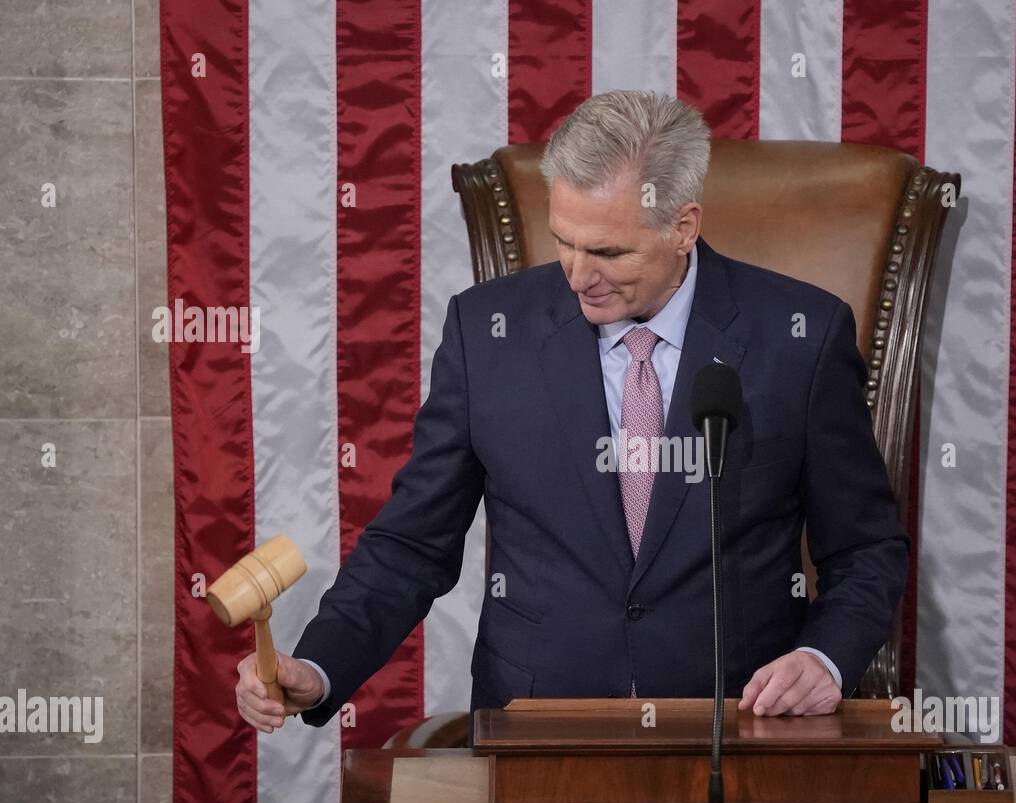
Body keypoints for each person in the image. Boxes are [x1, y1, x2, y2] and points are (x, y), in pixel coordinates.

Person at [234, 90, 908, 736]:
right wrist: (320, 666)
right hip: (535, 728)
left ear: (684, 225)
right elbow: (413, 544)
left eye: (609, 252)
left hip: (734, 729)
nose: (579, 274)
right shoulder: (486, 333)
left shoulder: (801, 336)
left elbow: (866, 548)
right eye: (565, 241)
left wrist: (823, 660)